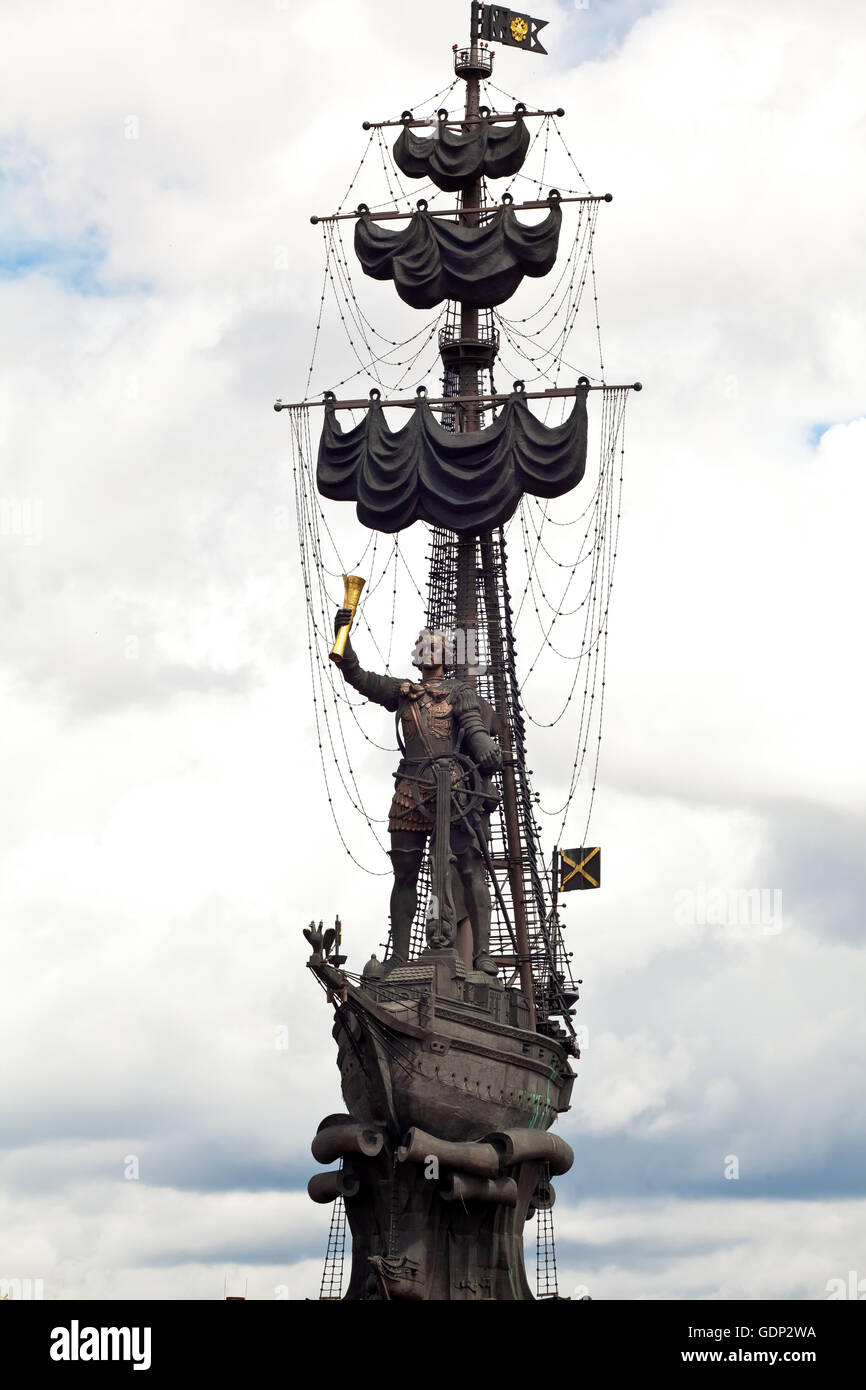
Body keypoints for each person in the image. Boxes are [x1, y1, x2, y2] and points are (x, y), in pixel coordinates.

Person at [333, 610, 501, 974]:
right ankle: (399, 955)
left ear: (444, 656)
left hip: (453, 790)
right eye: (422, 647)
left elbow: (473, 728)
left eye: (434, 647)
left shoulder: (461, 693)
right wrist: (342, 634)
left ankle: (482, 954)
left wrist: (485, 746)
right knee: (404, 874)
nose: (427, 651)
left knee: (470, 868)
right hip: (410, 790)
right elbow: (359, 677)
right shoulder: (403, 692)